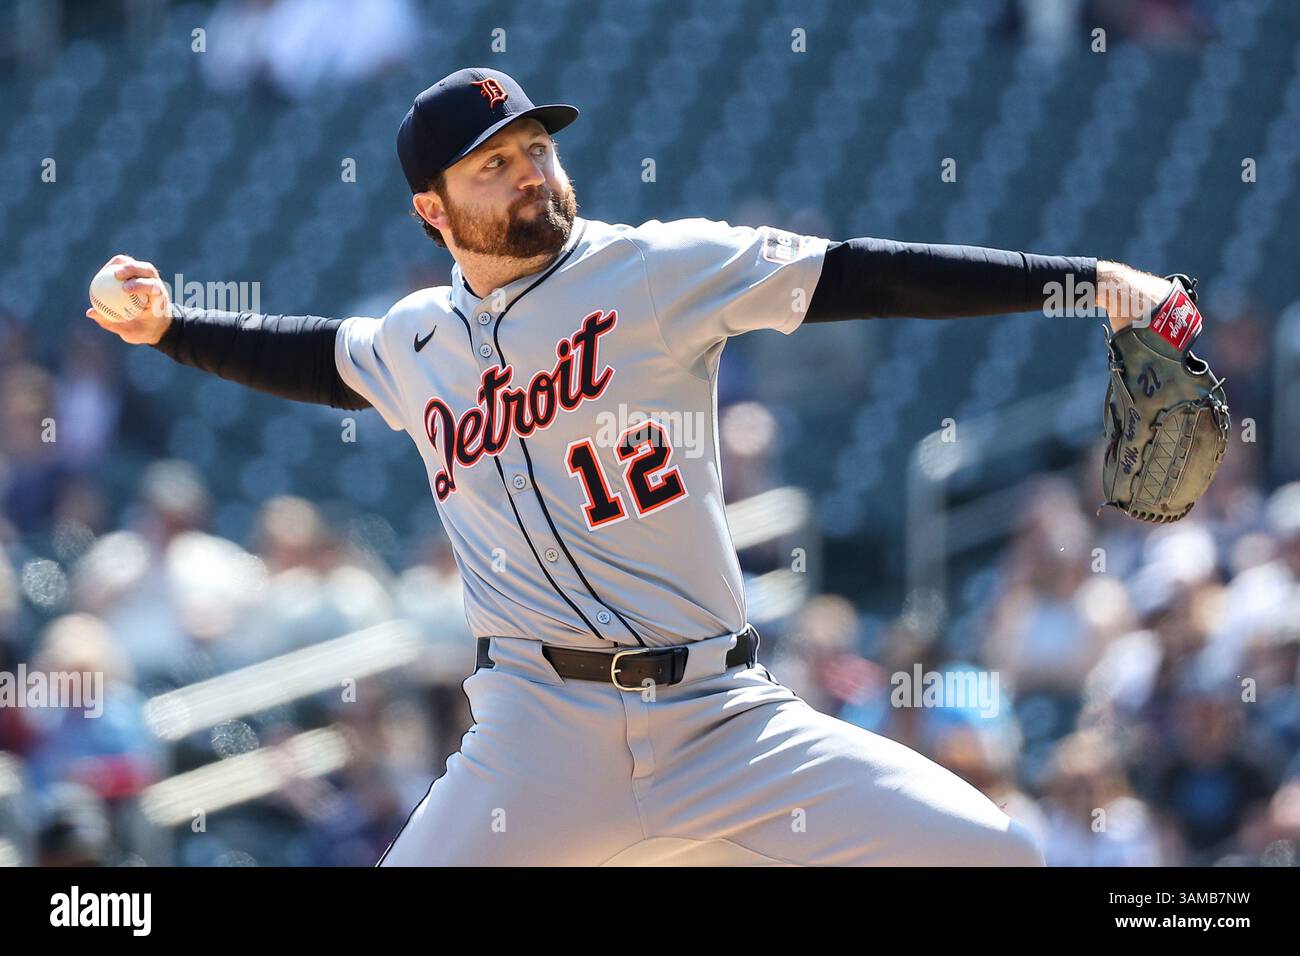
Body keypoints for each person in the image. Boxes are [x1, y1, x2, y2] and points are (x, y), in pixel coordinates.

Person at [86, 67, 1177, 866]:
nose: (530, 173)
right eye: (495, 163)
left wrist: (1090, 282)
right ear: (433, 210)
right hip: (535, 731)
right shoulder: (412, 341)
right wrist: (169, 324)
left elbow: (865, 276)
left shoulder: (653, 270)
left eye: (537, 149)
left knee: (991, 854)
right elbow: (312, 357)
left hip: (722, 713)